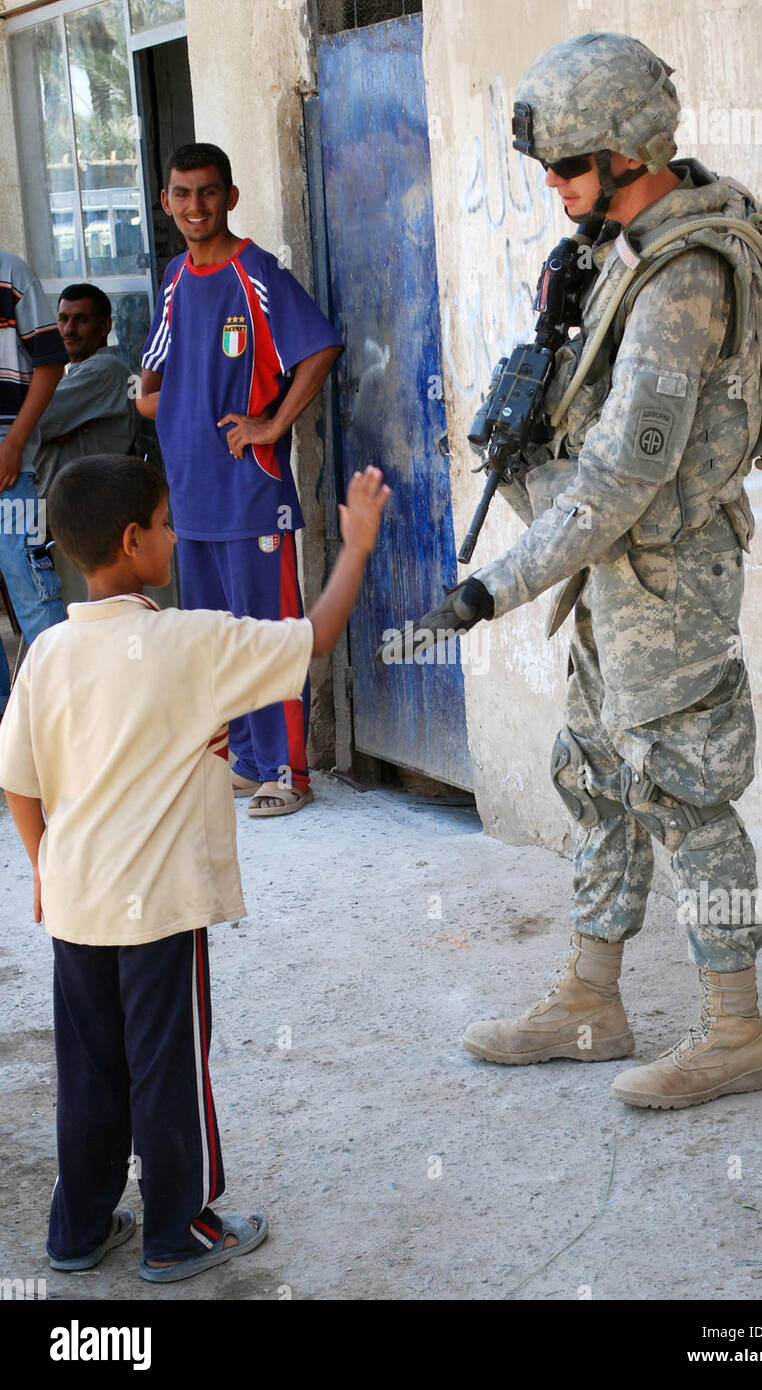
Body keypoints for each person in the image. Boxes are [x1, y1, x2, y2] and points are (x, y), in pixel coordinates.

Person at [415, 33, 762, 1108]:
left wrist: (494, 585)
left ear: (631, 154)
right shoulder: (624, 242)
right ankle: (590, 998)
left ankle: (735, 1030)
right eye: (546, 168)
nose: (554, 186)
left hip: (664, 574)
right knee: (594, 773)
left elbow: (619, 483)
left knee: (686, 795)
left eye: (570, 167)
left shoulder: (685, 275)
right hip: (615, 573)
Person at [0, 452, 389, 1281]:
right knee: (168, 1066)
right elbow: (314, 636)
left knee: (91, 1072)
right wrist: (354, 546)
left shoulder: (46, 654)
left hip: (76, 904)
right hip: (159, 909)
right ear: (135, 540)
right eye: (170, 525)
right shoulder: (191, 641)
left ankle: (77, 1230)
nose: (178, 537)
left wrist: (44, 870)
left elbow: (19, 786)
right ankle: (178, 1232)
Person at [137, 142, 344, 818]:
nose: (195, 206)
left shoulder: (255, 272)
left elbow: (320, 347)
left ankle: (290, 771)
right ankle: (249, 764)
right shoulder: (173, 277)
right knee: (214, 637)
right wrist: (157, 400)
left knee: (269, 632)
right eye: (181, 193)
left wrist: (272, 424)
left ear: (230, 195)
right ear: (167, 202)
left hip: (251, 494)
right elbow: (153, 374)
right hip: (190, 499)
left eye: (207, 192)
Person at [0, 248, 68, 716]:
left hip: (9, 469)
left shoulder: (10, 273)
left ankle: (65, 720)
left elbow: (50, 362)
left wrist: (14, 442)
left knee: (35, 595)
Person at [33, 283, 138, 499]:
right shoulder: (72, 370)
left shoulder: (104, 370)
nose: (69, 329)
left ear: (105, 326)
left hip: (80, 511)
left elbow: (32, 423)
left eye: (81, 319)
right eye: (63, 319)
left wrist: (43, 430)